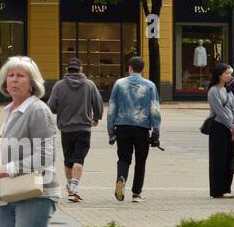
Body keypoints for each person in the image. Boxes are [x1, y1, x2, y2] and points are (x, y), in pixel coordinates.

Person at [0, 56, 59, 227]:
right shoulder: (11, 110)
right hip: (10, 192)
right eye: (10, 75)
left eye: (21, 76)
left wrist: (9, 168)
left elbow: (46, 155)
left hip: (36, 193)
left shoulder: (37, 110)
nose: (14, 80)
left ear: (33, 83)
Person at [45, 58, 103, 202]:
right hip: (83, 128)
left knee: (68, 160)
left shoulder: (59, 86)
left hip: (66, 129)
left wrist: (63, 109)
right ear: (81, 69)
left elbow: (51, 106)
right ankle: (74, 188)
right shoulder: (89, 85)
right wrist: (97, 117)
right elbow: (98, 102)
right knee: (79, 158)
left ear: (67, 70)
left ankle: (71, 190)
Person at [106, 56, 162, 203]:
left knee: (123, 158)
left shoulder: (119, 84)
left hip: (123, 127)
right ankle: (136, 193)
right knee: (141, 160)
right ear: (143, 69)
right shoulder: (150, 86)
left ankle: (121, 177)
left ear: (129, 68)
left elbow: (112, 108)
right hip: (142, 128)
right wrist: (156, 132)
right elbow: (155, 110)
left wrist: (111, 131)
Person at [206, 62, 234, 198]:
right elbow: (219, 111)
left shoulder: (228, 90)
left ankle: (226, 188)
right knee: (218, 159)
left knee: (229, 159)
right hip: (219, 128)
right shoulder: (213, 91)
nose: (229, 76)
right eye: (226, 73)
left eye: (230, 73)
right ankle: (217, 190)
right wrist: (230, 126)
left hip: (231, 129)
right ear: (219, 75)